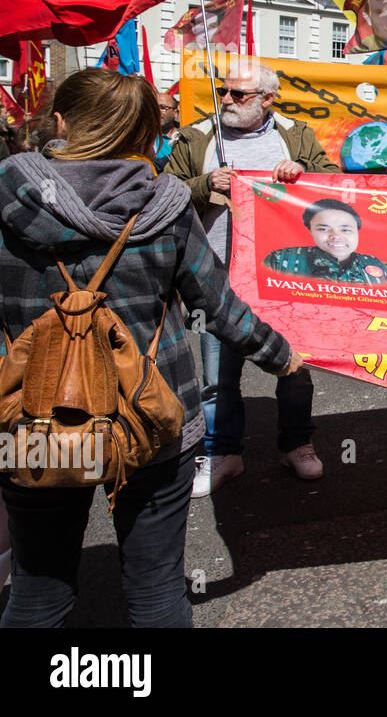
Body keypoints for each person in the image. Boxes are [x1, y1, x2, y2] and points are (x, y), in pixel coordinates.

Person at [0, 68, 301, 626]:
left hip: (33, 415)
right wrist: (280, 356)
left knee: (37, 590)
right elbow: (217, 305)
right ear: (148, 134)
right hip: (152, 412)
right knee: (158, 589)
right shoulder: (164, 203)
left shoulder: (8, 195)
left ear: (60, 122)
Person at [164, 64, 341, 496]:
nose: (226, 100)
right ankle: (224, 452)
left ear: (267, 99)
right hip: (215, 279)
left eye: (239, 95)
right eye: (224, 92)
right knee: (217, 377)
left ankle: (297, 444)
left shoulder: (295, 134)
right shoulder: (196, 137)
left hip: (285, 279)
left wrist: (302, 172)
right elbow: (164, 193)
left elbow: (333, 181)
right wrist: (205, 185)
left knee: (294, 368)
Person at [263, 198, 387, 285]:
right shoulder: (281, 260)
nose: (335, 236)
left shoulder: (385, 271)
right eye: (324, 229)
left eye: (345, 230)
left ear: (357, 231)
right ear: (310, 230)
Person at [153, 90, 180, 171]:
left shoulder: (183, 139)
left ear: (175, 113)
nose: (157, 111)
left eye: (163, 108)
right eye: (154, 107)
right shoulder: (143, 137)